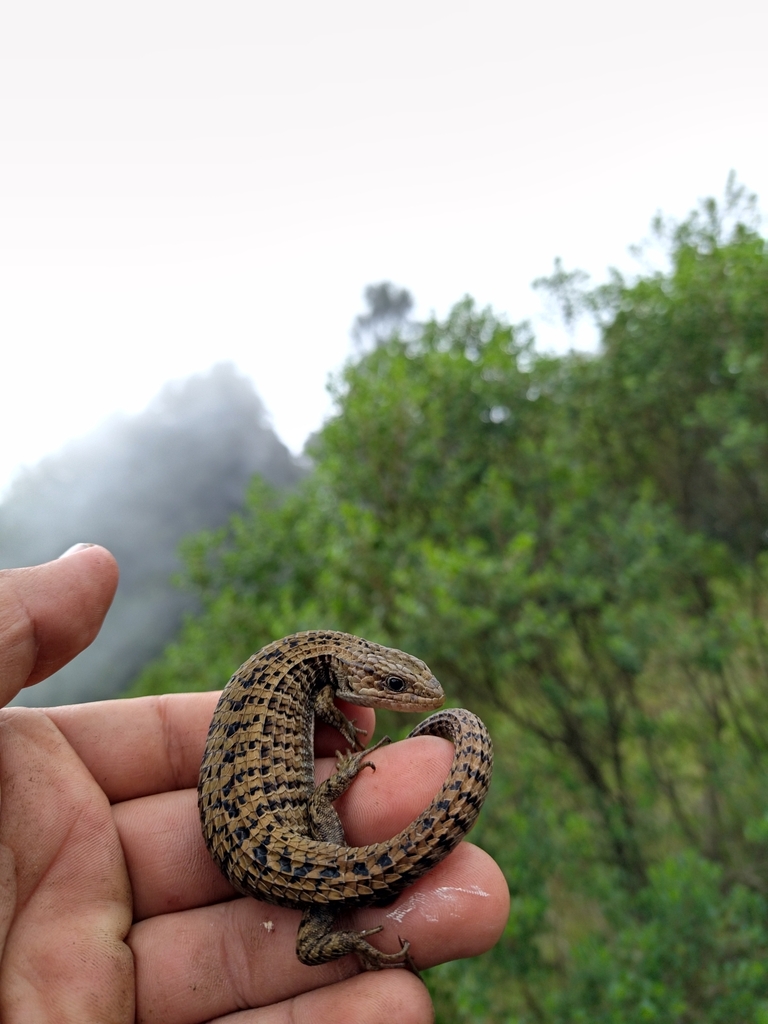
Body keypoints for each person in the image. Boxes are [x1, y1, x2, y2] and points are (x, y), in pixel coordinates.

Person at [0, 544, 509, 1023]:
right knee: (331, 856)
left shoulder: (302, 666)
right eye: (394, 686)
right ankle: (353, 905)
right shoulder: (314, 676)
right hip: (276, 848)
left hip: (260, 849)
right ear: (348, 676)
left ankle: (350, 923)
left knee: (317, 929)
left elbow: (324, 708)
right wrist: (343, 776)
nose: (418, 693)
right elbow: (323, 740)